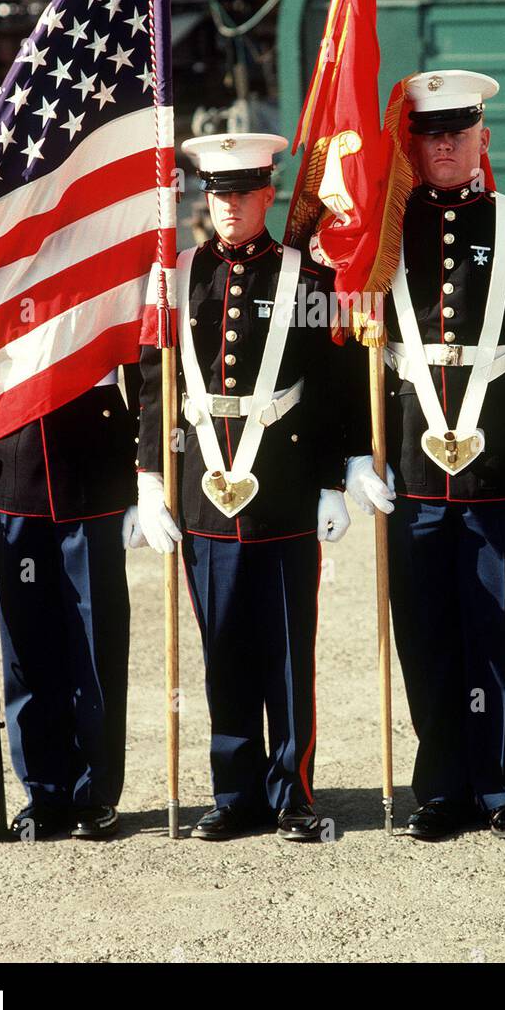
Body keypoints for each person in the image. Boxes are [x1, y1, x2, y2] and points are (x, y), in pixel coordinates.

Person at [345, 70, 505, 841]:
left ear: (483, 136)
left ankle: (503, 788)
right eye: (430, 134)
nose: (444, 145)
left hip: (502, 462)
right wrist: (353, 455)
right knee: (425, 632)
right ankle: (439, 789)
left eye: (458, 131)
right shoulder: (377, 233)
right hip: (409, 463)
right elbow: (348, 353)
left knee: (500, 628)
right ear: (411, 144)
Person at [135, 133, 351, 843]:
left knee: (288, 649)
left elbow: (329, 389)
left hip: (284, 488)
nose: (227, 207)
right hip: (203, 488)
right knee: (222, 648)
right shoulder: (175, 276)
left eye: (240, 194)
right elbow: (153, 385)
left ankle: (292, 792)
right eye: (216, 194)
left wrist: (332, 481)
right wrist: (149, 477)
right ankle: (234, 793)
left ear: (267, 195)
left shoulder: (308, 281)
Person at [0, 372, 143, 840]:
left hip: (94, 474)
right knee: (26, 648)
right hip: (12, 471)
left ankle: (94, 794)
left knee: (97, 646)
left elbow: (143, 369)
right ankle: (44, 792)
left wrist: (144, 478)